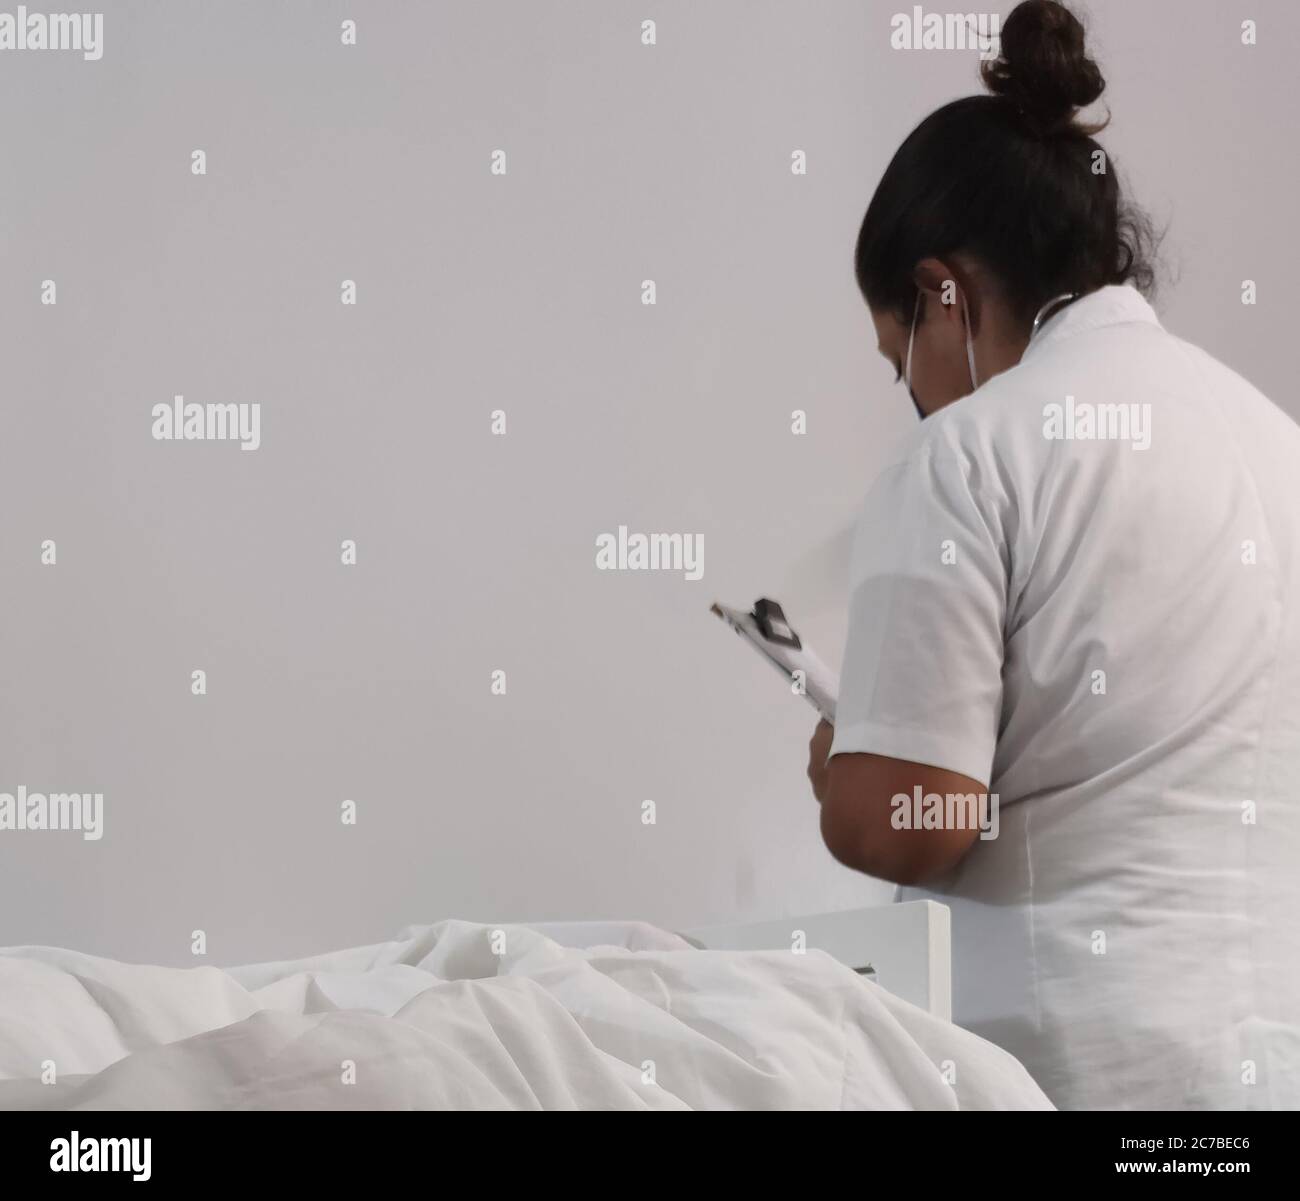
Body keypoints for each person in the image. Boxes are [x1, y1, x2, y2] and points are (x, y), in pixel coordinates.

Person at [806, 0, 1300, 1110]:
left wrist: (849, 773)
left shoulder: (967, 455)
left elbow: (912, 819)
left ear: (942, 294)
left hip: (1069, 1074)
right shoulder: (1278, 443)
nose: (909, 393)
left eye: (898, 355)